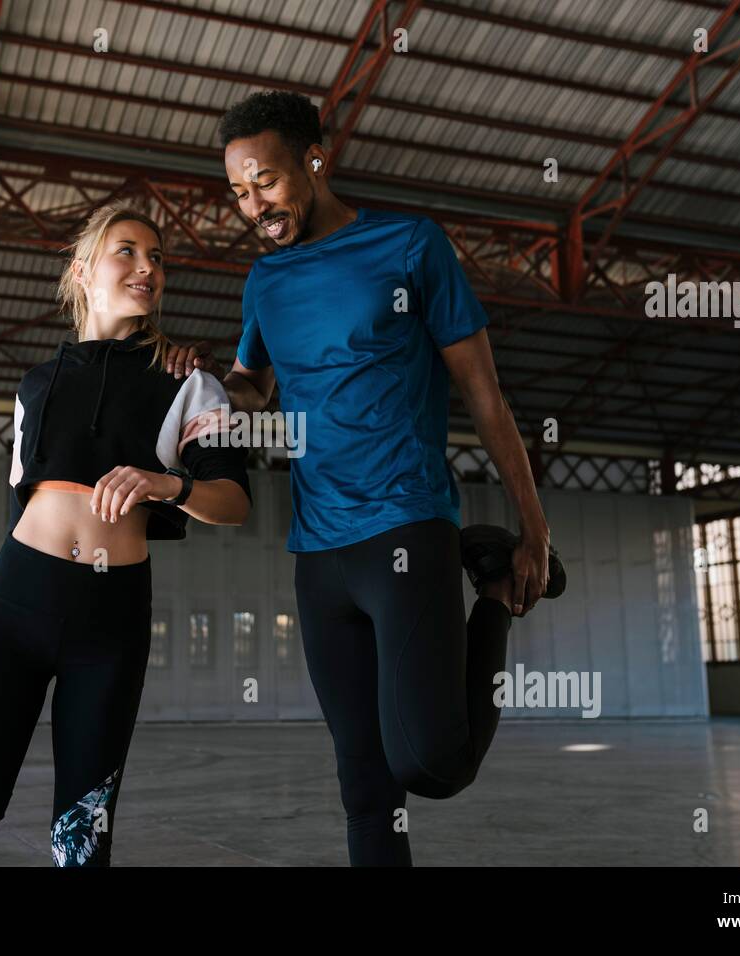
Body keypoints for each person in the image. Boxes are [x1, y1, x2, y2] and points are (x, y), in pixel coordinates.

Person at [166, 91, 566, 866]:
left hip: (406, 527)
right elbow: (252, 395)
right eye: (239, 192)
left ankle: (489, 598)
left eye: (267, 182)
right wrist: (204, 376)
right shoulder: (266, 283)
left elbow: (485, 397)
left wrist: (535, 531)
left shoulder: (410, 246)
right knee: (365, 785)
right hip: (319, 551)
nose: (254, 205)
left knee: (431, 764)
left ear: (316, 160)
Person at [0, 203, 252, 866]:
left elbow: (235, 503)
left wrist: (169, 486)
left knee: (81, 843)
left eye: (158, 258)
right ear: (82, 269)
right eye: (127, 251)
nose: (147, 267)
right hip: (18, 598)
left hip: (111, 617)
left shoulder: (192, 383)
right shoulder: (34, 387)